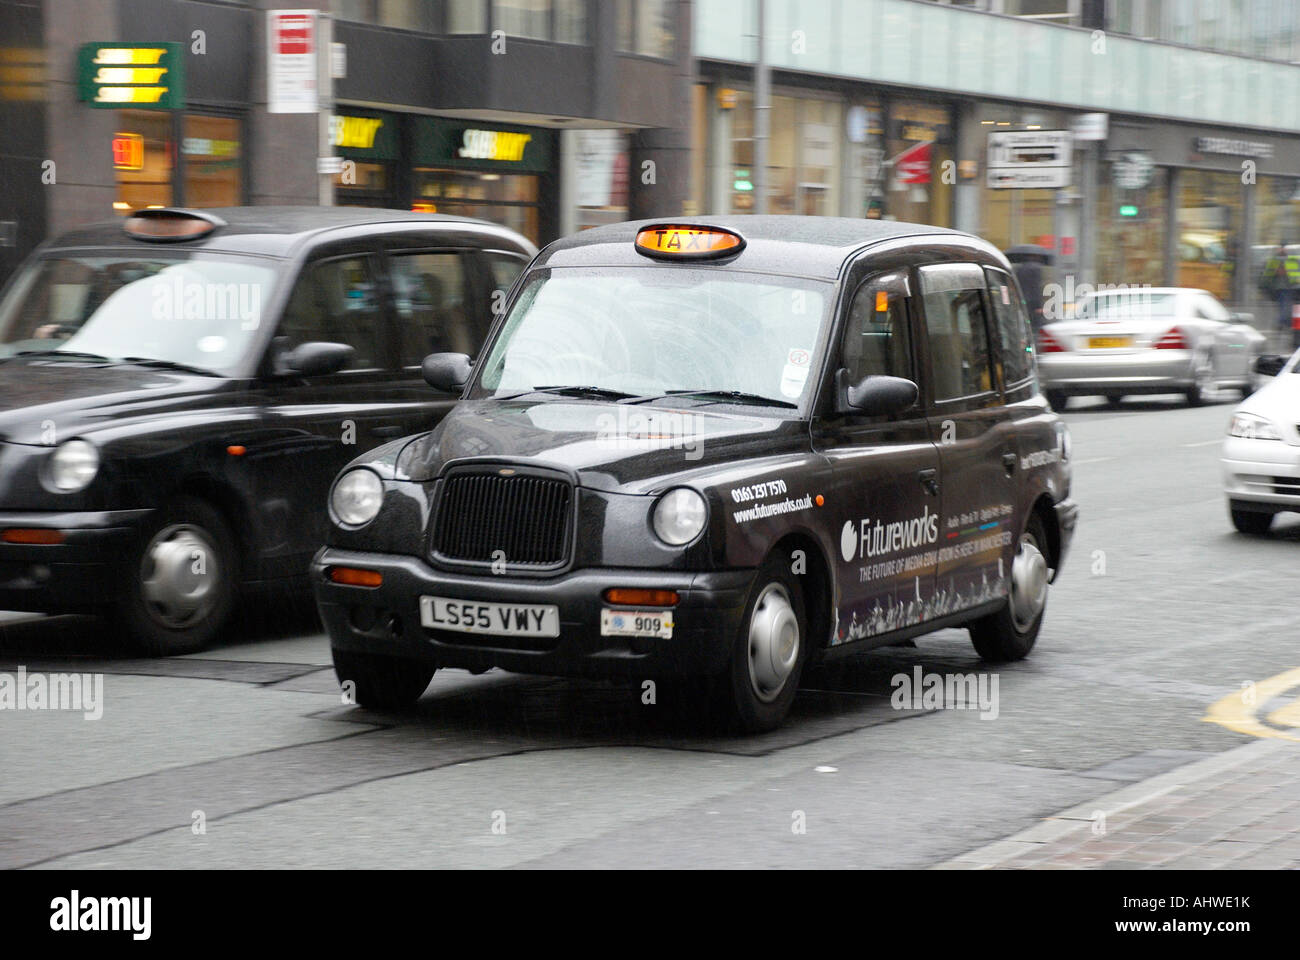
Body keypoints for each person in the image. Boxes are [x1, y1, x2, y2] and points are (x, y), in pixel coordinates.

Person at [1260, 243, 1300, 346]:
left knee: (1292, 311)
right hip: (1280, 289)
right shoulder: (1274, 260)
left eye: (1283, 248)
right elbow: (1267, 273)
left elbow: (1295, 272)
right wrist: (1265, 286)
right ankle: (1284, 325)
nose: (1282, 250)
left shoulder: (1293, 259)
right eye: (1280, 248)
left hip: (1292, 288)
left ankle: (1284, 326)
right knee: (1285, 309)